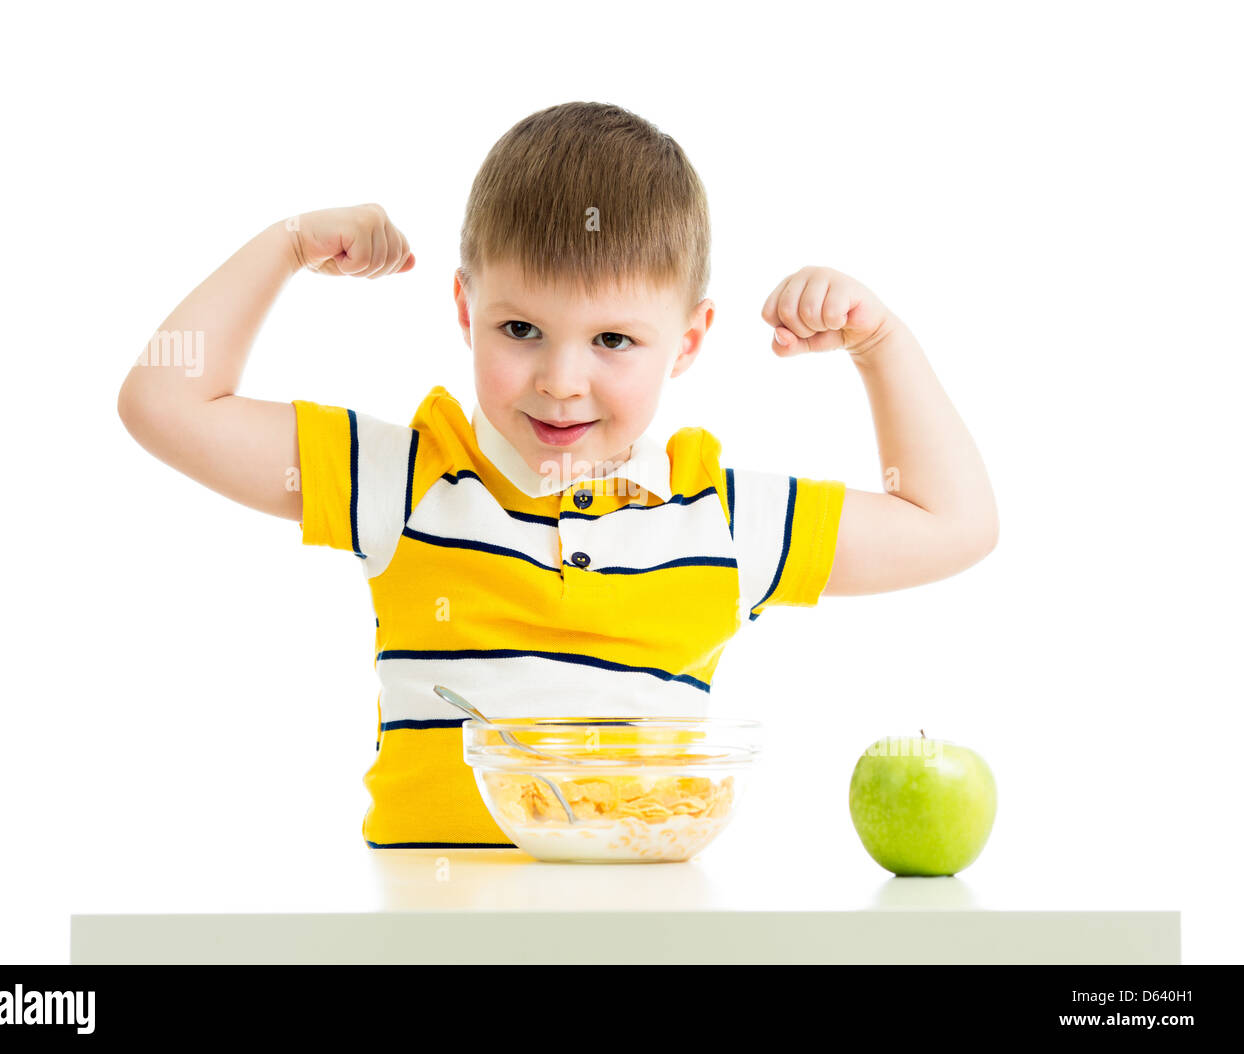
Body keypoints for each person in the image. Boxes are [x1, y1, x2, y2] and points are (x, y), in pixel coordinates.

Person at [117, 101, 998, 849]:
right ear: (466, 311)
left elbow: (954, 524)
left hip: (640, 931)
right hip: (427, 930)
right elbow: (163, 401)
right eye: (520, 330)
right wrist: (288, 245)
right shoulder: (404, 479)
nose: (561, 380)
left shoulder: (724, 521)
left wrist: (881, 348)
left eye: (613, 340)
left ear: (687, 343)